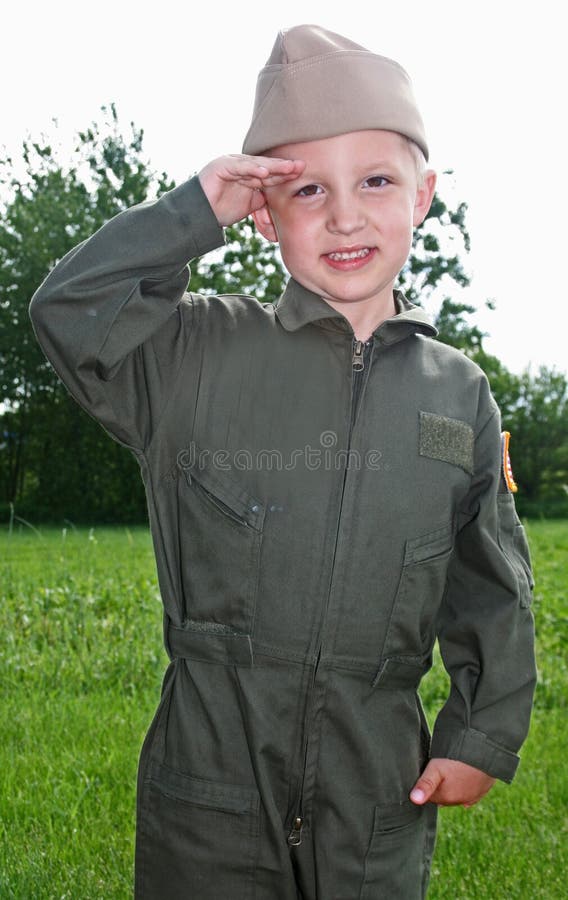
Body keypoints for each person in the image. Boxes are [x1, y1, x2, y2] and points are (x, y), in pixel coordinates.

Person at [29, 24, 536, 900]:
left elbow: (490, 580)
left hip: (376, 787)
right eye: (307, 189)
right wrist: (196, 210)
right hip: (210, 782)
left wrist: (481, 734)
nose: (345, 214)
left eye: (376, 180)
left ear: (425, 194)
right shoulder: (190, 353)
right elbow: (69, 310)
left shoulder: (459, 397)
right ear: (264, 214)